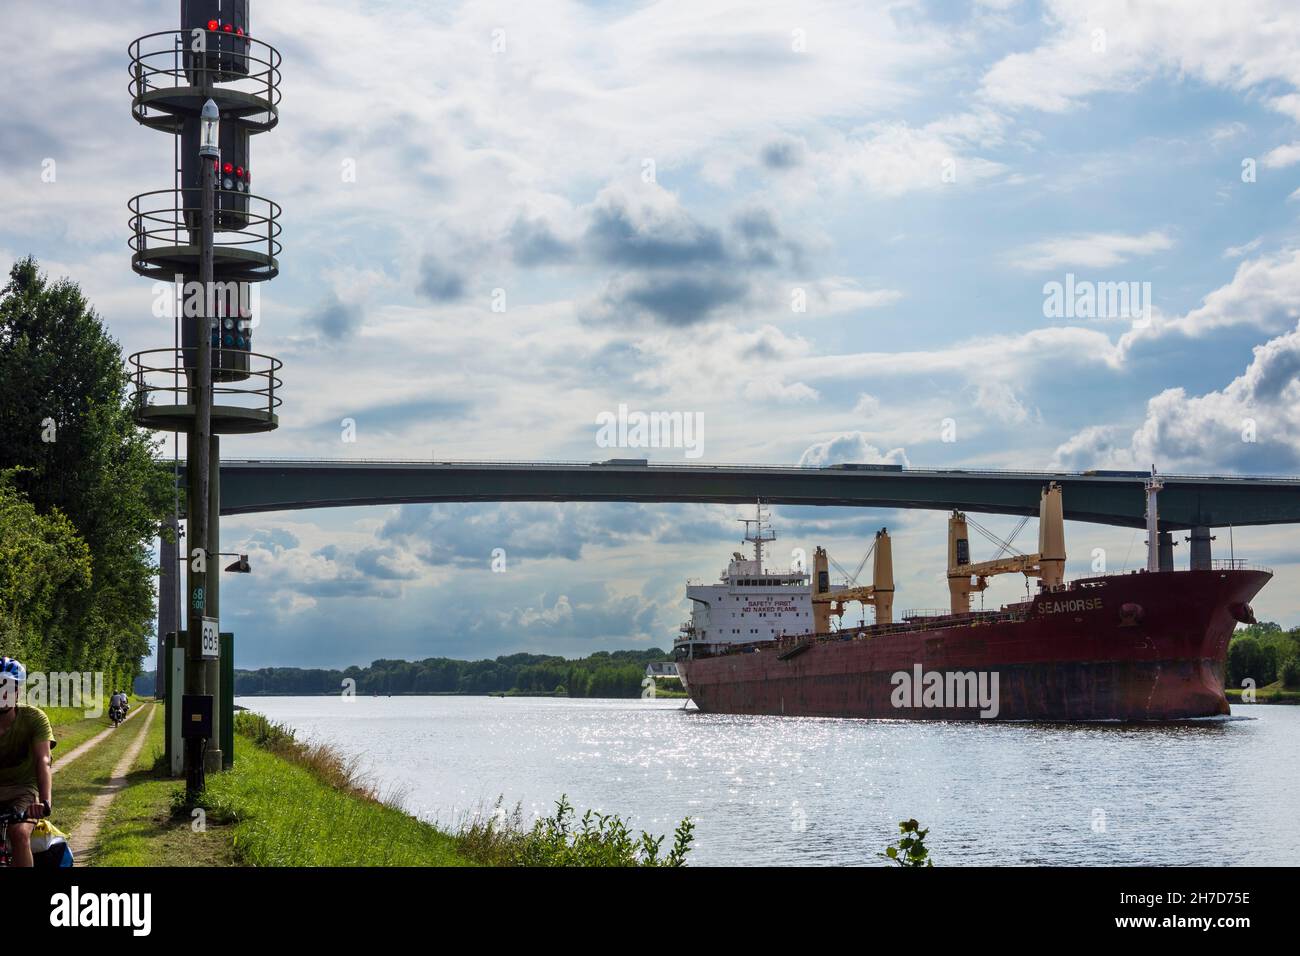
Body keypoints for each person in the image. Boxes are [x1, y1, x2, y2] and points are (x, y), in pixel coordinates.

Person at [0, 657, 54, 868]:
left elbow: (43, 760)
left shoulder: (34, 718)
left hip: (22, 790)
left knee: (20, 833)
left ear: (18, 691)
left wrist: (45, 801)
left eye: (9, 686)